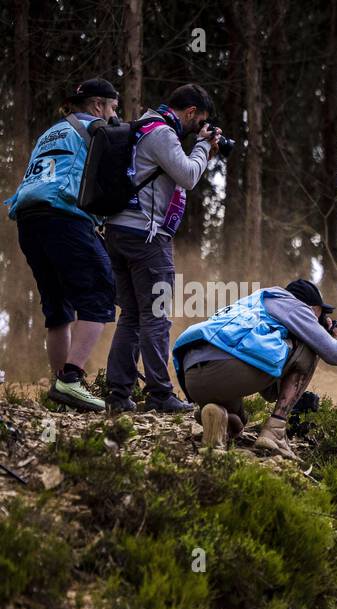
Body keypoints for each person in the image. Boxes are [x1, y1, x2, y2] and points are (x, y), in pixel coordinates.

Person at [3, 79, 121, 412]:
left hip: (29, 219)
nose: (115, 115)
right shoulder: (98, 128)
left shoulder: (51, 132)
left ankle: (60, 386)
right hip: (64, 216)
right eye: (114, 107)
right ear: (98, 105)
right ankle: (71, 379)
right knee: (100, 293)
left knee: (58, 306)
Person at [104, 83, 223, 414]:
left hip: (119, 230)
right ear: (190, 113)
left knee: (132, 315)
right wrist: (201, 147)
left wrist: (202, 148)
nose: (200, 127)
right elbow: (186, 176)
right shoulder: (162, 133)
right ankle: (160, 395)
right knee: (156, 315)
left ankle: (118, 394)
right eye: (200, 121)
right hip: (146, 236)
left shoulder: (143, 125)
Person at [171, 279, 337, 459]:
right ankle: (276, 430)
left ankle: (218, 418)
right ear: (311, 307)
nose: (320, 320)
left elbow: (270, 391)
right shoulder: (296, 307)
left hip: (193, 377)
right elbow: (335, 355)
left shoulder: (255, 300)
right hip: (225, 370)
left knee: (238, 423)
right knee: (310, 347)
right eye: (320, 314)